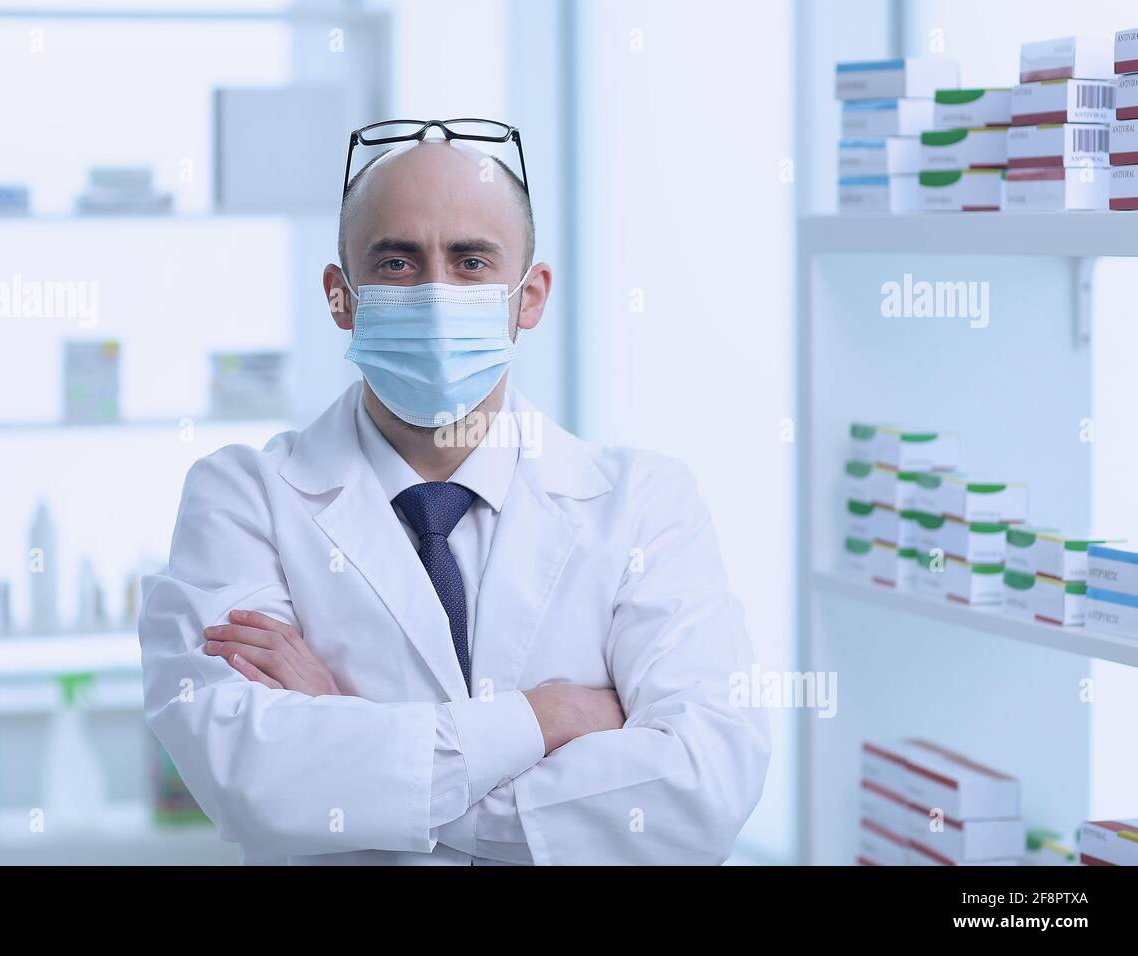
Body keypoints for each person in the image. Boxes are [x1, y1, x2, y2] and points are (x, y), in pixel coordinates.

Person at [138, 120, 769, 865]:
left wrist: (358, 736)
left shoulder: (644, 504)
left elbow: (702, 791)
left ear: (528, 298)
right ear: (342, 298)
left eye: (471, 262)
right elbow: (255, 779)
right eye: (398, 263)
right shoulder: (242, 499)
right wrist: (542, 719)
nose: (436, 293)